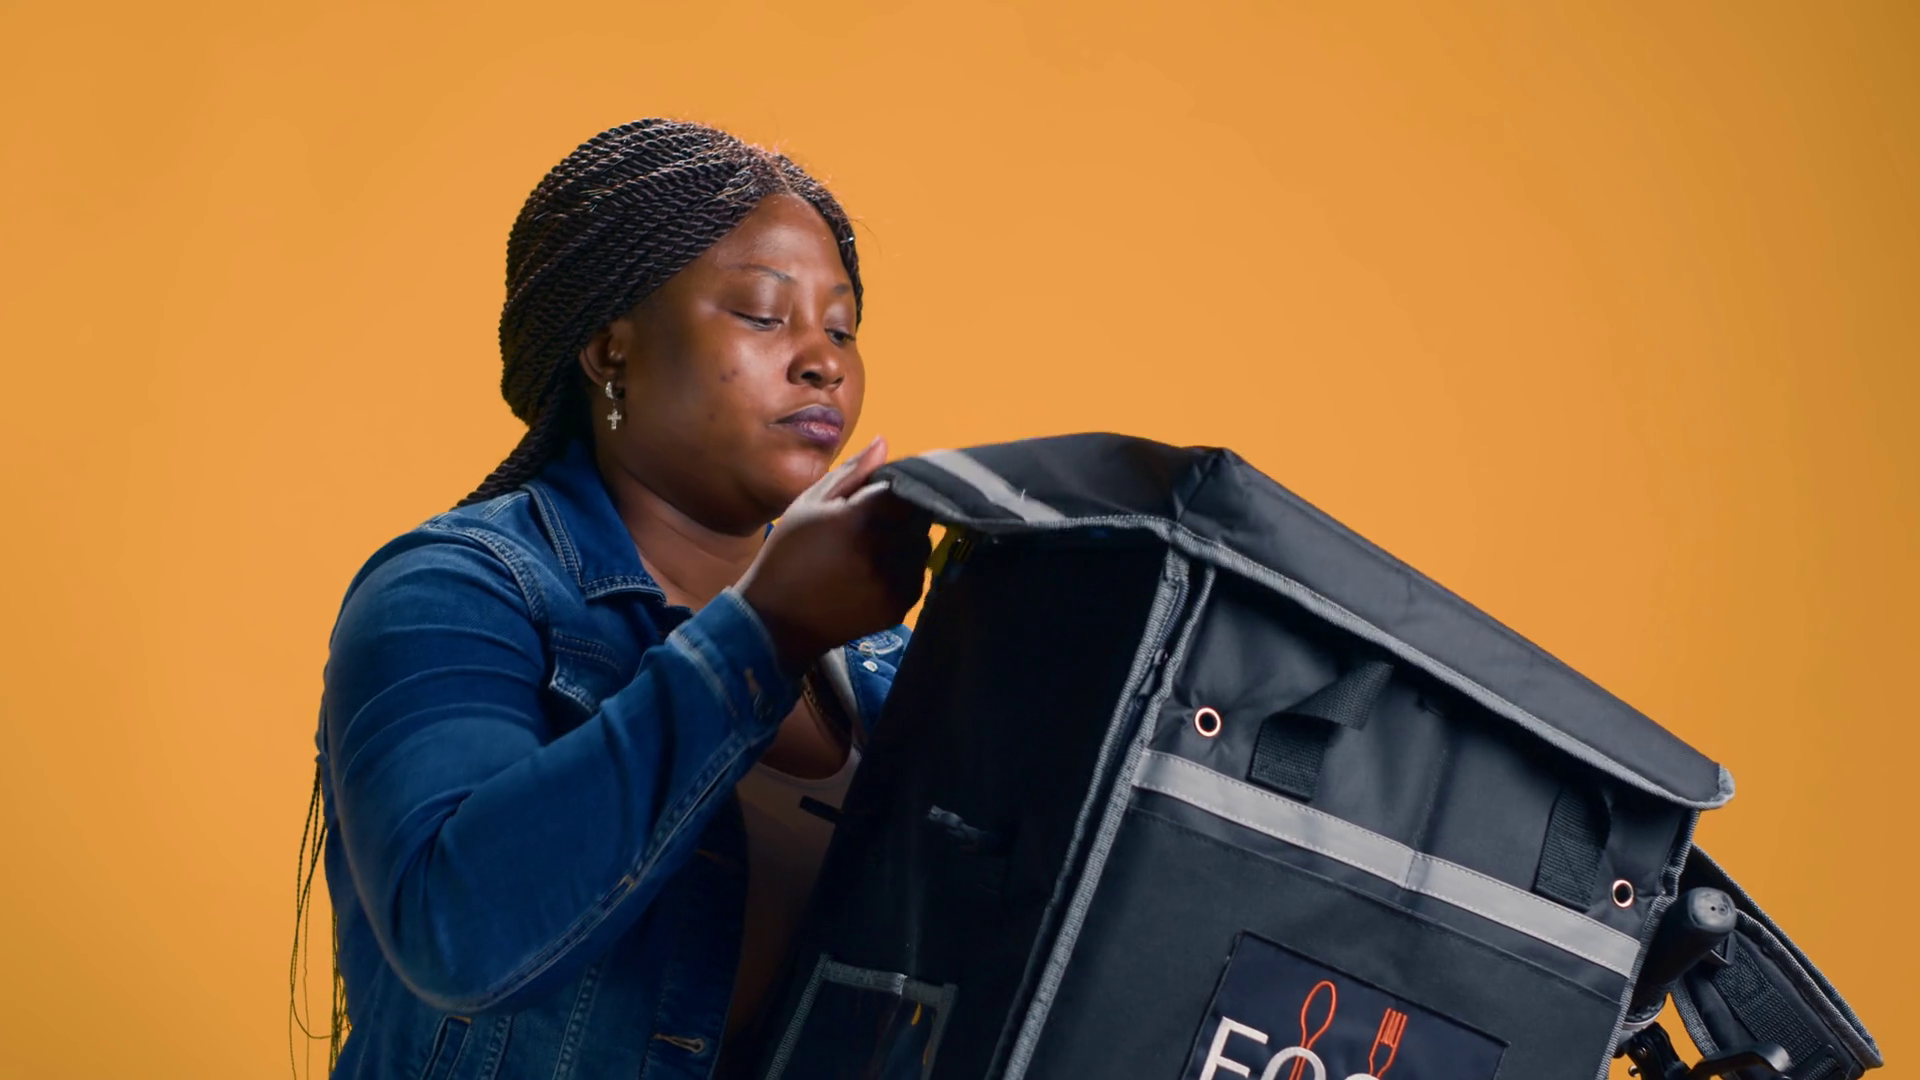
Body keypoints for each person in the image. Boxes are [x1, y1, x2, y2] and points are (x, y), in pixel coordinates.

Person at [294, 118, 933, 1080]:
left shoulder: (886, 665)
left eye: (842, 328)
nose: (824, 360)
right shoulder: (455, 590)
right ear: (609, 351)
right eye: (765, 315)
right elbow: (458, 930)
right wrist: (764, 635)